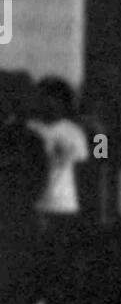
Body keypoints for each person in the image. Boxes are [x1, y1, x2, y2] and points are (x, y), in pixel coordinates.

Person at [27, 77, 89, 217]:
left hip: (65, 204)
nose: (49, 103)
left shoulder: (75, 131)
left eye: (54, 98)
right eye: (44, 98)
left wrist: (101, 136)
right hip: (35, 204)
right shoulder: (29, 127)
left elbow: (99, 159)